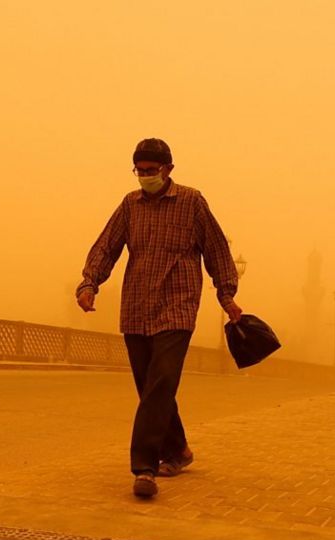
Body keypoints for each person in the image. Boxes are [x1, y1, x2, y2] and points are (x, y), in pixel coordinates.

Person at [75, 138, 242, 498]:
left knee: (161, 382)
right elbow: (107, 246)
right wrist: (89, 284)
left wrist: (226, 295)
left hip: (177, 307)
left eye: (152, 171)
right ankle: (179, 449)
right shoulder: (130, 205)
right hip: (136, 308)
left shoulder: (192, 203)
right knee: (151, 387)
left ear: (168, 170)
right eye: (140, 171)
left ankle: (144, 467)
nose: (145, 177)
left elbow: (216, 249)